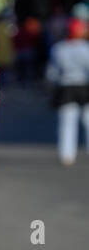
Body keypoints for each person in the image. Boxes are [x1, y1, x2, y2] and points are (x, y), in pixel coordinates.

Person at [46, 19, 89, 165]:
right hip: (84, 86)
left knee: (67, 122)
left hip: (66, 88)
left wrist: (51, 86)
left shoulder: (59, 48)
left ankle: (67, 155)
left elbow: (52, 73)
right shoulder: (86, 48)